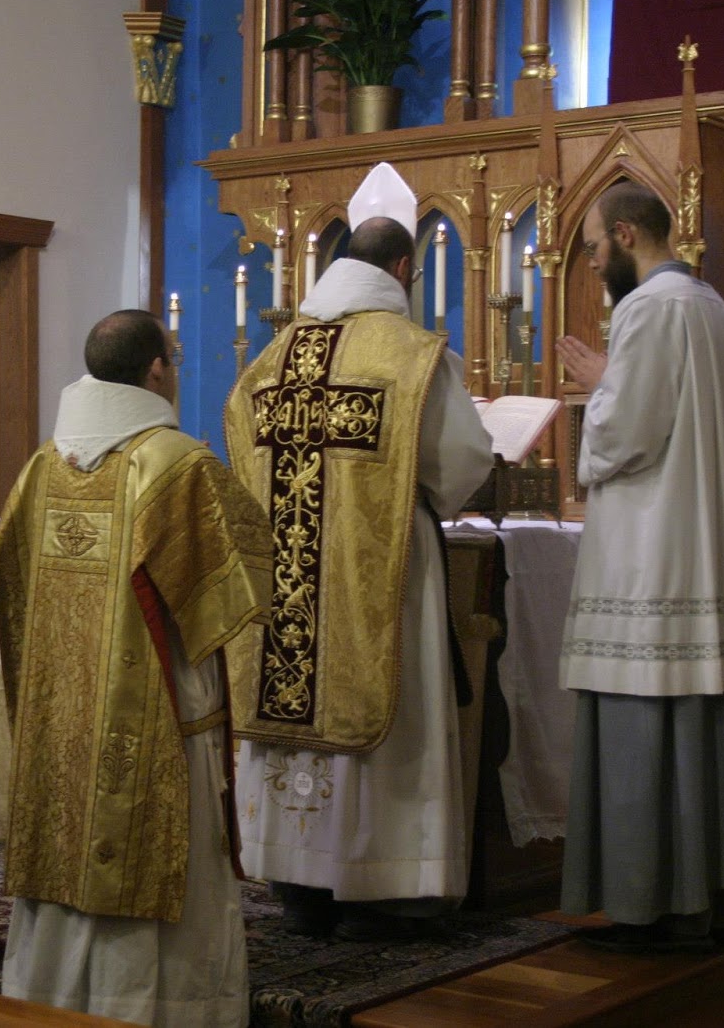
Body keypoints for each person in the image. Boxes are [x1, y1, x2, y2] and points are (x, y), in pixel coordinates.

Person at [224, 185, 495, 938]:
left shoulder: (270, 362)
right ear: (403, 267)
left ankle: (299, 881)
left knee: (297, 710)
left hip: (287, 588)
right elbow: (460, 462)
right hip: (377, 574)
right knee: (389, 705)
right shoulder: (409, 357)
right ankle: (383, 890)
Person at [0, 309, 270, 1027]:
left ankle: (48, 997)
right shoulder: (177, 467)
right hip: (155, 726)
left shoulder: (39, 468)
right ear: (155, 371)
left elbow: (10, 586)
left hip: (62, 722)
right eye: (173, 360)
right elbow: (242, 586)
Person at [556, 181, 724, 954]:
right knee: (702, 728)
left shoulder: (648, 308)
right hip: (701, 554)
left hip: (652, 560)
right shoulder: (718, 311)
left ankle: (650, 910)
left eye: (592, 248)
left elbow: (629, 431)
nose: (591, 264)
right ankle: (708, 904)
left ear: (624, 233)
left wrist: (596, 386)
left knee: (648, 720)